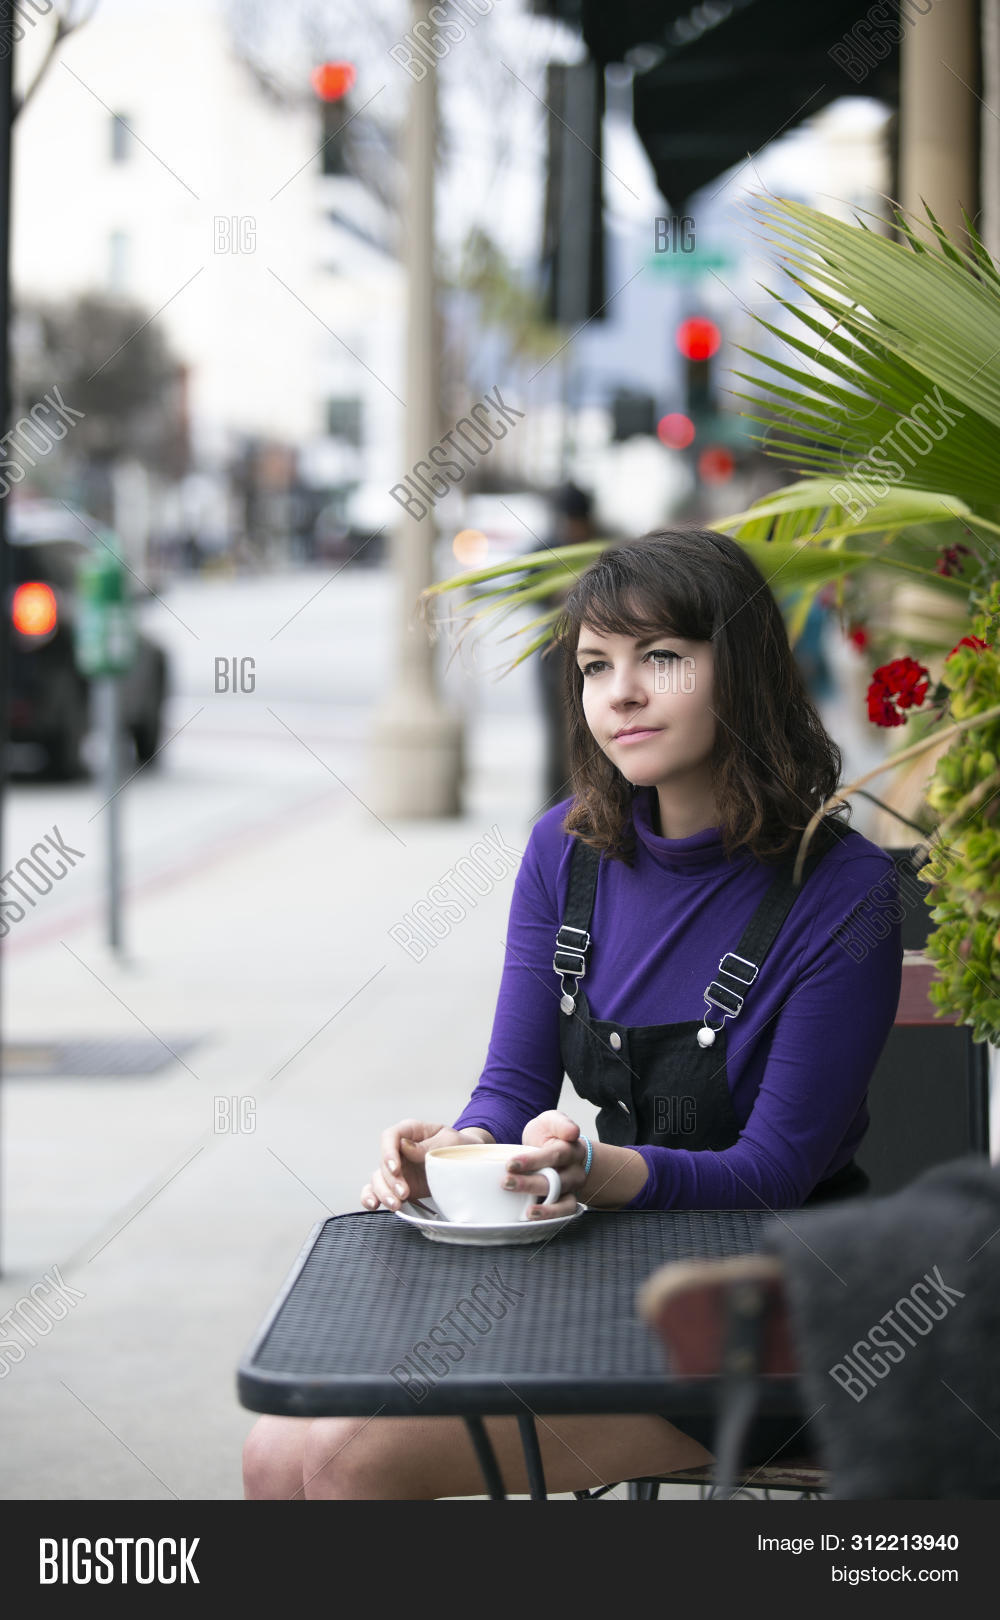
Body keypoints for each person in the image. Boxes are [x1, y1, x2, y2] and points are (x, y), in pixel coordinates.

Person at [243, 527, 903, 1500]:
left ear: (746, 670)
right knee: (276, 1452)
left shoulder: (842, 891)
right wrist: (457, 1153)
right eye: (595, 666)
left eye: (662, 657)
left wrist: (594, 1168)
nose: (620, 693)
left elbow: (776, 1171)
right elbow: (512, 1085)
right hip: (606, 1282)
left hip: (775, 1310)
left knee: (346, 1463)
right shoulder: (565, 849)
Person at [536, 481, 596, 814]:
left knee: (586, 738)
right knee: (556, 738)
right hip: (551, 659)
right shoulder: (545, 548)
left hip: (589, 663)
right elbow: (527, 590)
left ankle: (587, 809)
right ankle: (553, 813)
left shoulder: (600, 546)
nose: (574, 528)